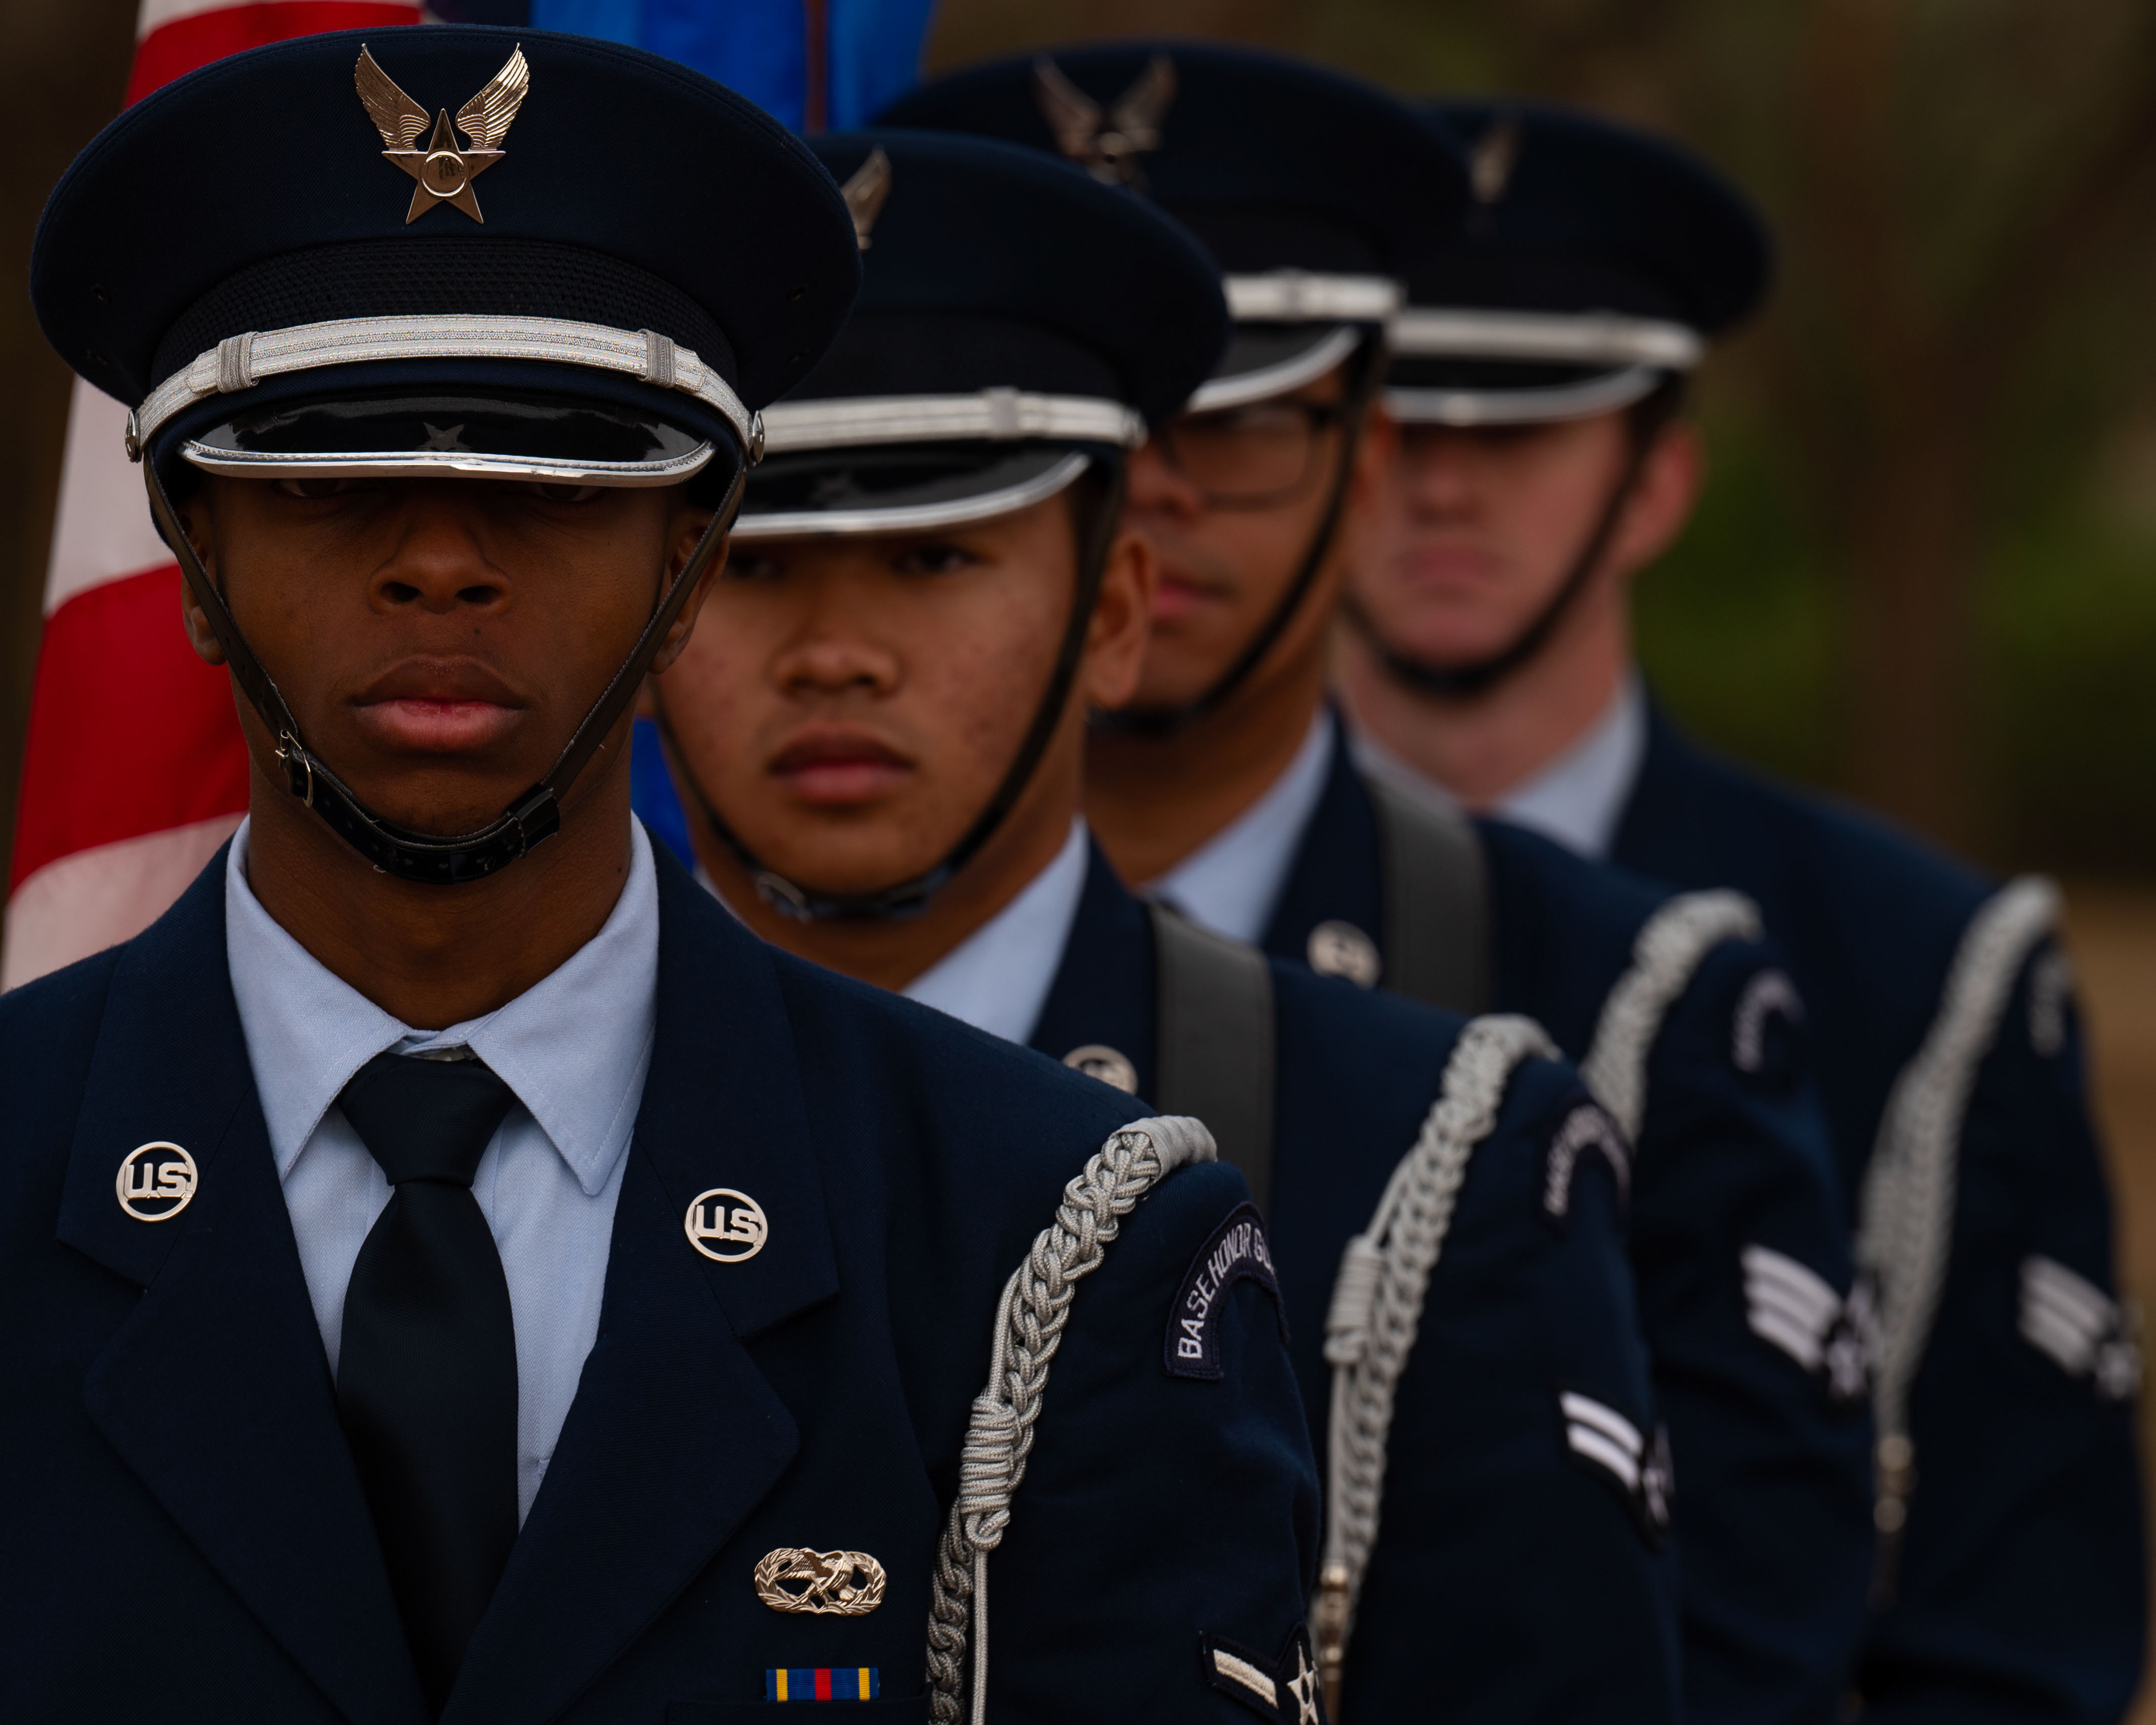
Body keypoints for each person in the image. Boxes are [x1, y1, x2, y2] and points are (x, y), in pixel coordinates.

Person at [0, 30, 1324, 1723]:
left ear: (693, 561)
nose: (438, 563)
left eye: (552, 486)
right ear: (189, 554)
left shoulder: (1049, 1250)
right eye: (331, 483)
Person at [884, 46, 1876, 1725]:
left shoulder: (1626, 1008)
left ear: (1366, 449)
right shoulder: (753, 1005)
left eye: (1242, 412)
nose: (1161, 484)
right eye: (1079, 429)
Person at [647, 123, 1680, 1725]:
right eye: (758, 559)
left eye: (934, 556)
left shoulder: (1441, 1153)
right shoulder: (490, 1123)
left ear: (1114, 614)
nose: (835, 652)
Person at [1335, 99, 2146, 1723]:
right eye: (1387, 427)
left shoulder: (1922, 965)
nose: (1438, 488)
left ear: (1657, 482)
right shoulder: (1145, 897)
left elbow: (2014, 1646)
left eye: (1516, 431)